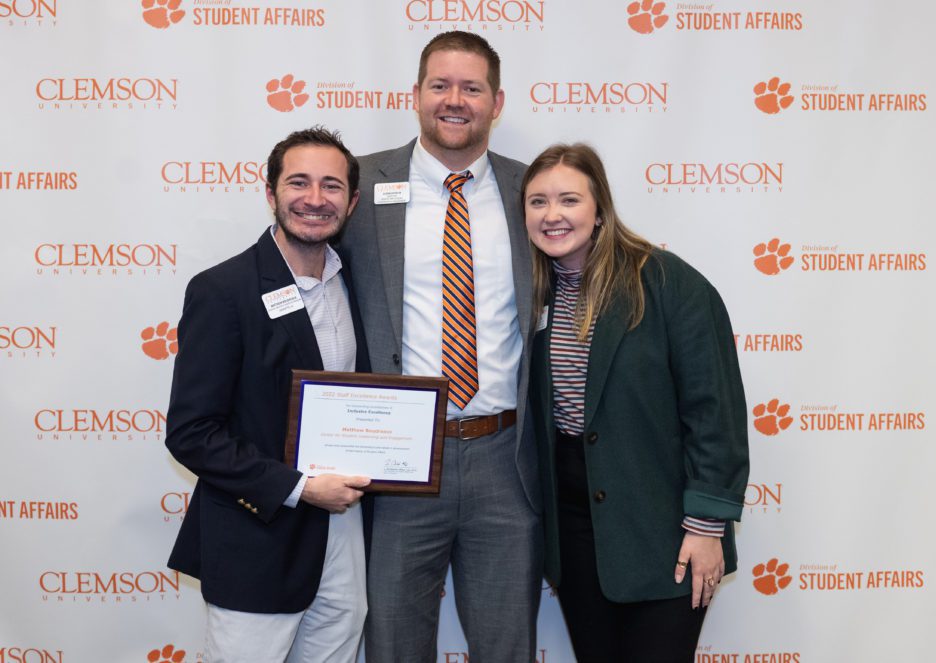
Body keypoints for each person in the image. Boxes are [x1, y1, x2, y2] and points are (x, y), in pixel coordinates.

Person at [339, 31, 542, 663]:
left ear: (497, 101)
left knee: (508, 647)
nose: (455, 100)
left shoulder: (531, 191)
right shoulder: (359, 184)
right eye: (441, 85)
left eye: (472, 88)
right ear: (417, 94)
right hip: (398, 461)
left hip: (504, 460)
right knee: (394, 645)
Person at [522, 143, 749, 662]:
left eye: (568, 200)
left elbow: (714, 410)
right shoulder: (532, 291)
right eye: (537, 202)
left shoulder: (667, 283)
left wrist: (707, 527)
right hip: (576, 533)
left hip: (665, 530)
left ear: (599, 209)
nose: (553, 215)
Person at [165, 127, 373, 663]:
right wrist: (300, 488)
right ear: (270, 192)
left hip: (344, 539)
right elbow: (192, 433)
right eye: (298, 182)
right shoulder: (223, 290)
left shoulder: (359, 284)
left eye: (331, 186)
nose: (314, 198)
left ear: (351, 201)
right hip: (257, 538)